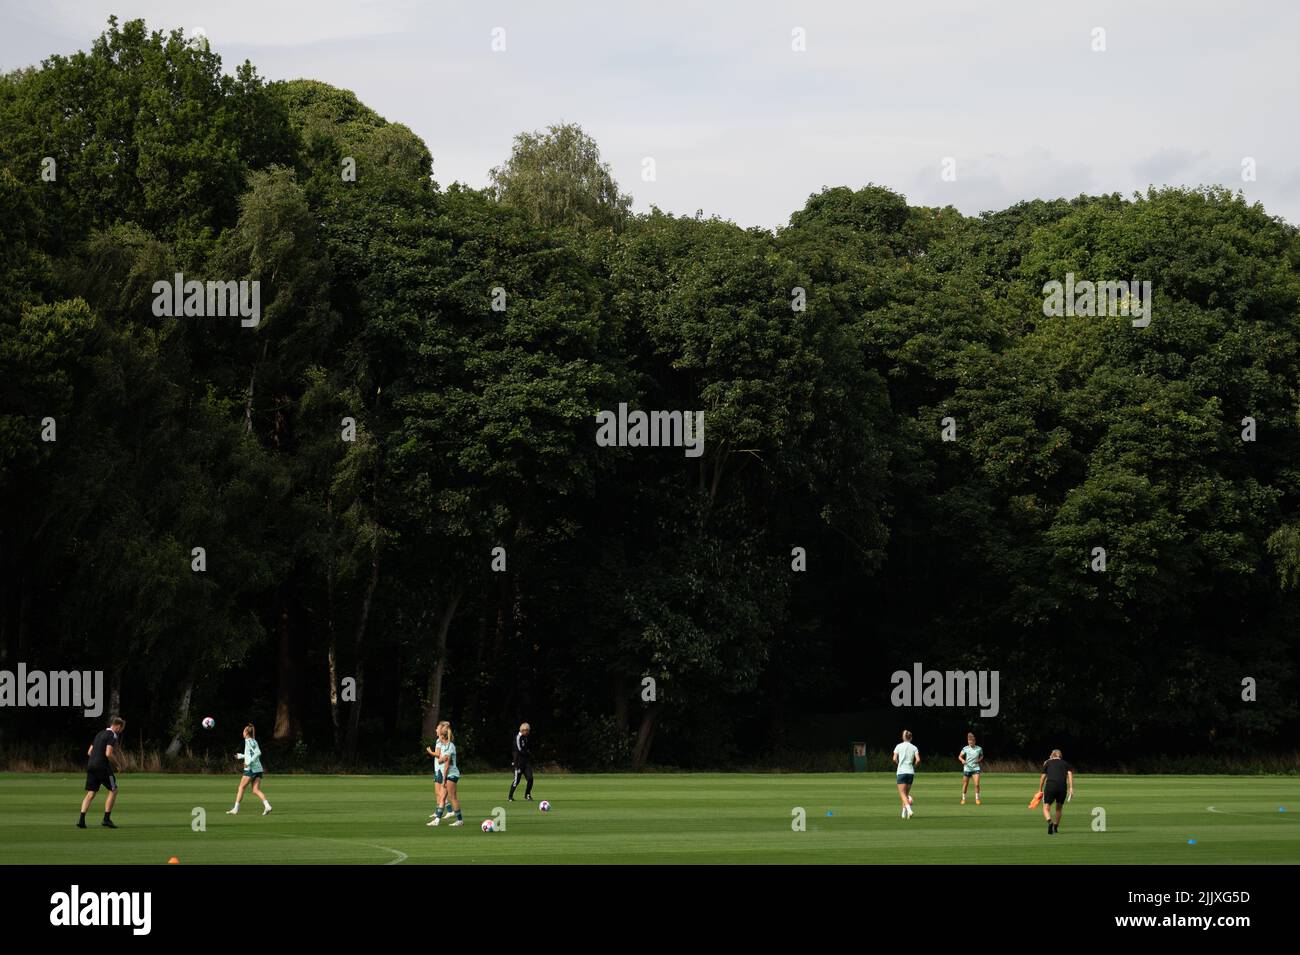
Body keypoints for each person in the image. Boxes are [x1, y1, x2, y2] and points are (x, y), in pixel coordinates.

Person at [79, 716, 125, 828]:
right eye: (121, 728)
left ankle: (81, 820)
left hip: (91, 766)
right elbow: (108, 753)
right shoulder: (112, 735)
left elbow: (89, 752)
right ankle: (106, 819)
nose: (121, 731)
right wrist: (118, 764)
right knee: (114, 790)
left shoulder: (99, 734)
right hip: (103, 767)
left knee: (91, 793)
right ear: (118, 726)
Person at [227, 724, 272, 816]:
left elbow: (258, 752)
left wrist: (249, 762)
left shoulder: (249, 741)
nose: (243, 732)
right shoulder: (253, 741)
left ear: (246, 732)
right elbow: (251, 754)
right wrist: (241, 756)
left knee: (241, 787)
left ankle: (235, 809)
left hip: (251, 769)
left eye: (244, 731)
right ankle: (267, 805)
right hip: (258, 769)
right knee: (255, 790)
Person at [430, 721, 463, 827]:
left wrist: (444, 780)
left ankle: (459, 820)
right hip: (447, 774)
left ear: (442, 737)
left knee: (452, 797)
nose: (438, 738)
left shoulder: (449, 746)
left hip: (451, 774)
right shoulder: (444, 746)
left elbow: (447, 766)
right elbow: (441, 760)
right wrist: (442, 759)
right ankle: (437, 821)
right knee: (443, 797)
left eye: (439, 735)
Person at [1039, 749, 1073, 834]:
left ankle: (1049, 821)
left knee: (1046, 807)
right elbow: (1070, 774)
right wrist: (1071, 788)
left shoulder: (1048, 763)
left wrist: (1040, 790)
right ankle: (1055, 827)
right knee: (1059, 808)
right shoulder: (1065, 763)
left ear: (1052, 755)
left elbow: (1042, 778)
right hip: (1062, 787)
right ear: (1060, 756)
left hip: (1050, 786)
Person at [892, 729, 920, 819]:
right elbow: (918, 760)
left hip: (901, 772)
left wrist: (898, 764)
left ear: (903, 737)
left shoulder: (898, 746)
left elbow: (894, 758)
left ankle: (909, 810)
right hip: (910, 772)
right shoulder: (914, 747)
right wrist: (914, 766)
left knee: (902, 794)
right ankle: (904, 814)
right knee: (906, 794)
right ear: (911, 738)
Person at [508, 722, 533, 802]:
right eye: (527, 730)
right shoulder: (518, 737)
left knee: (530, 778)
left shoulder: (525, 738)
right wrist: (527, 753)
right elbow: (519, 749)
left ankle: (527, 795)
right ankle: (510, 797)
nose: (528, 732)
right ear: (523, 730)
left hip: (526, 762)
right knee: (516, 781)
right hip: (518, 763)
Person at [959, 732, 984, 805]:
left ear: (974, 741)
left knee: (977, 784)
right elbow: (959, 756)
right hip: (967, 768)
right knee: (965, 784)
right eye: (969, 741)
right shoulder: (965, 748)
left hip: (975, 768)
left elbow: (982, 756)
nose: (970, 743)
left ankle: (977, 799)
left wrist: (979, 760)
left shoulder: (979, 748)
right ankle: (963, 799)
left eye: (972, 741)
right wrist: (962, 760)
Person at [426, 737, 444, 825]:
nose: (436, 730)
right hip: (438, 768)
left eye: (437, 729)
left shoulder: (440, 740)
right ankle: (437, 812)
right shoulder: (440, 739)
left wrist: (430, 752)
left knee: (440, 792)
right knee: (438, 792)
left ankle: (449, 810)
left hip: (440, 768)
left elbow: (438, 754)